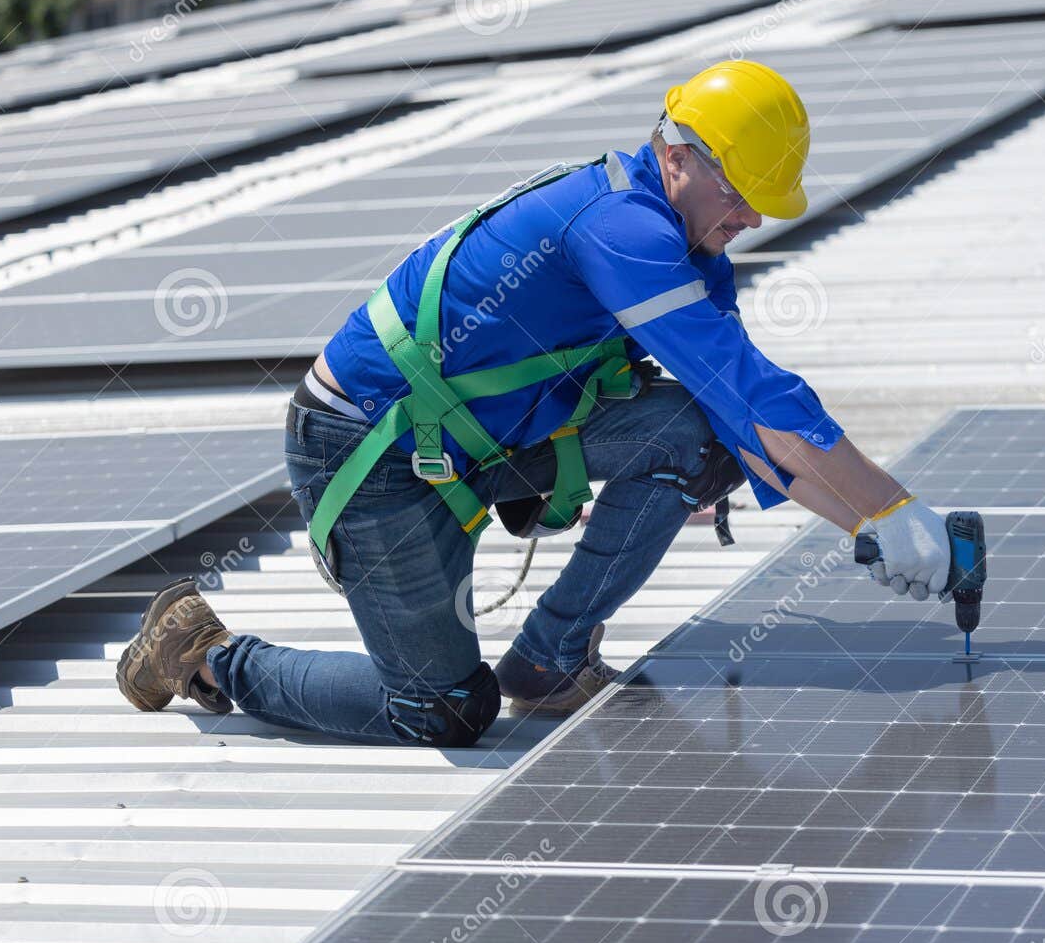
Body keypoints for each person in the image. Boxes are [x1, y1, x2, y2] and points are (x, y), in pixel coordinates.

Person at [114, 60, 951, 747]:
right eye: (740, 188)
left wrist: (876, 526)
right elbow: (762, 395)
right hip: (369, 453)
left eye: (765, 199)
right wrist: (892, 509)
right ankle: (208, 655)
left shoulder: (690, 247)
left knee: (697, 437)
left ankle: (548, 662)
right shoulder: (621, 228)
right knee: (443, 710)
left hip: (472, 444)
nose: (752, 214)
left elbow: (743, 417)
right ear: (678, 156)